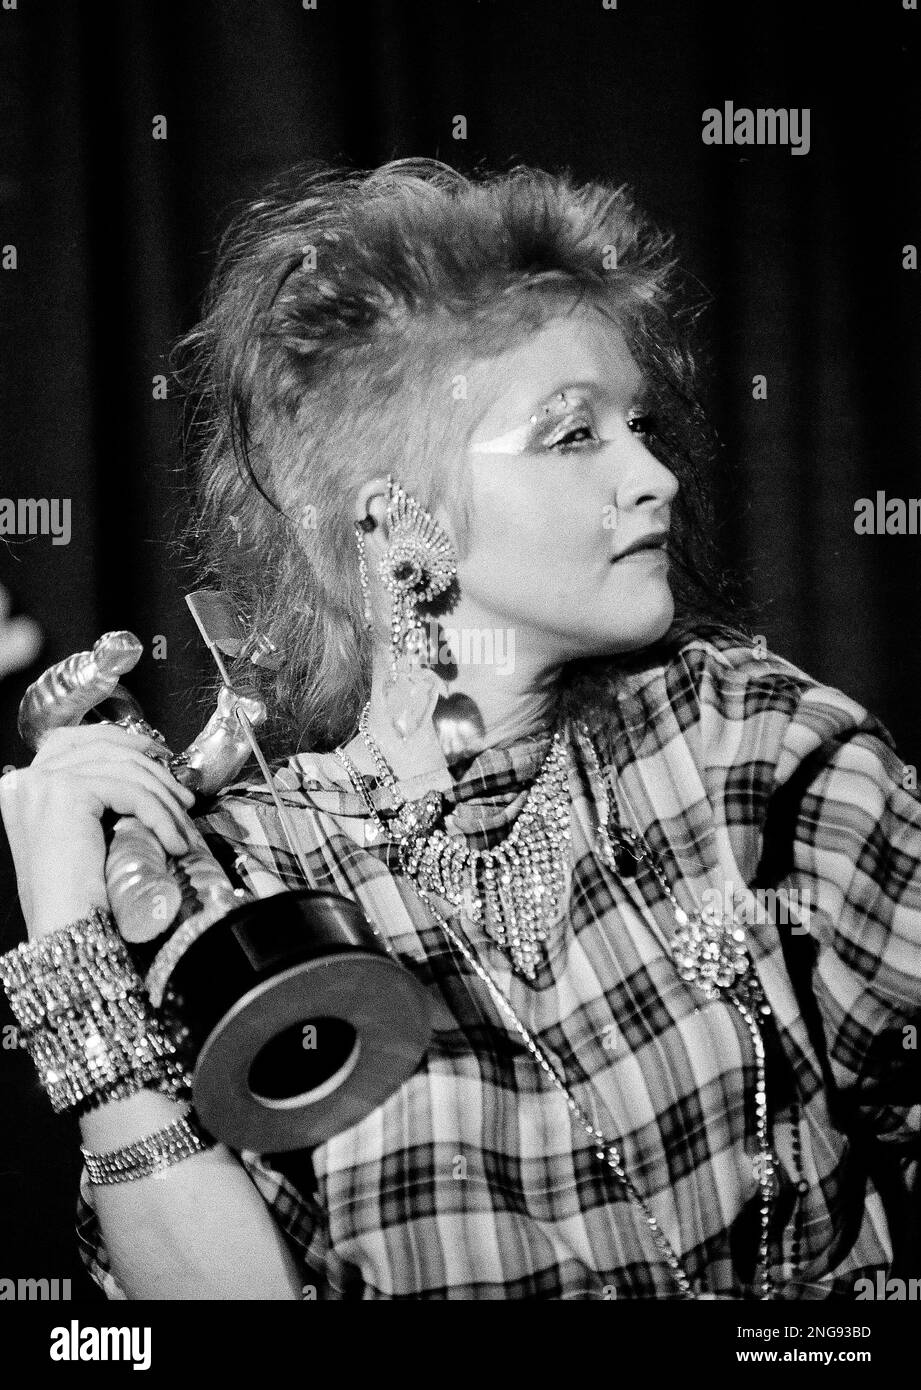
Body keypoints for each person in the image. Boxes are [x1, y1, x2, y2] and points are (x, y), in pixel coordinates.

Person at [2, 160, 919, 1301]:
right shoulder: (238, 876)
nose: (656, 476)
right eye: (575, 433)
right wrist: (68, 946)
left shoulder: (745, 744)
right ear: (400, 517)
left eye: (637, 423)